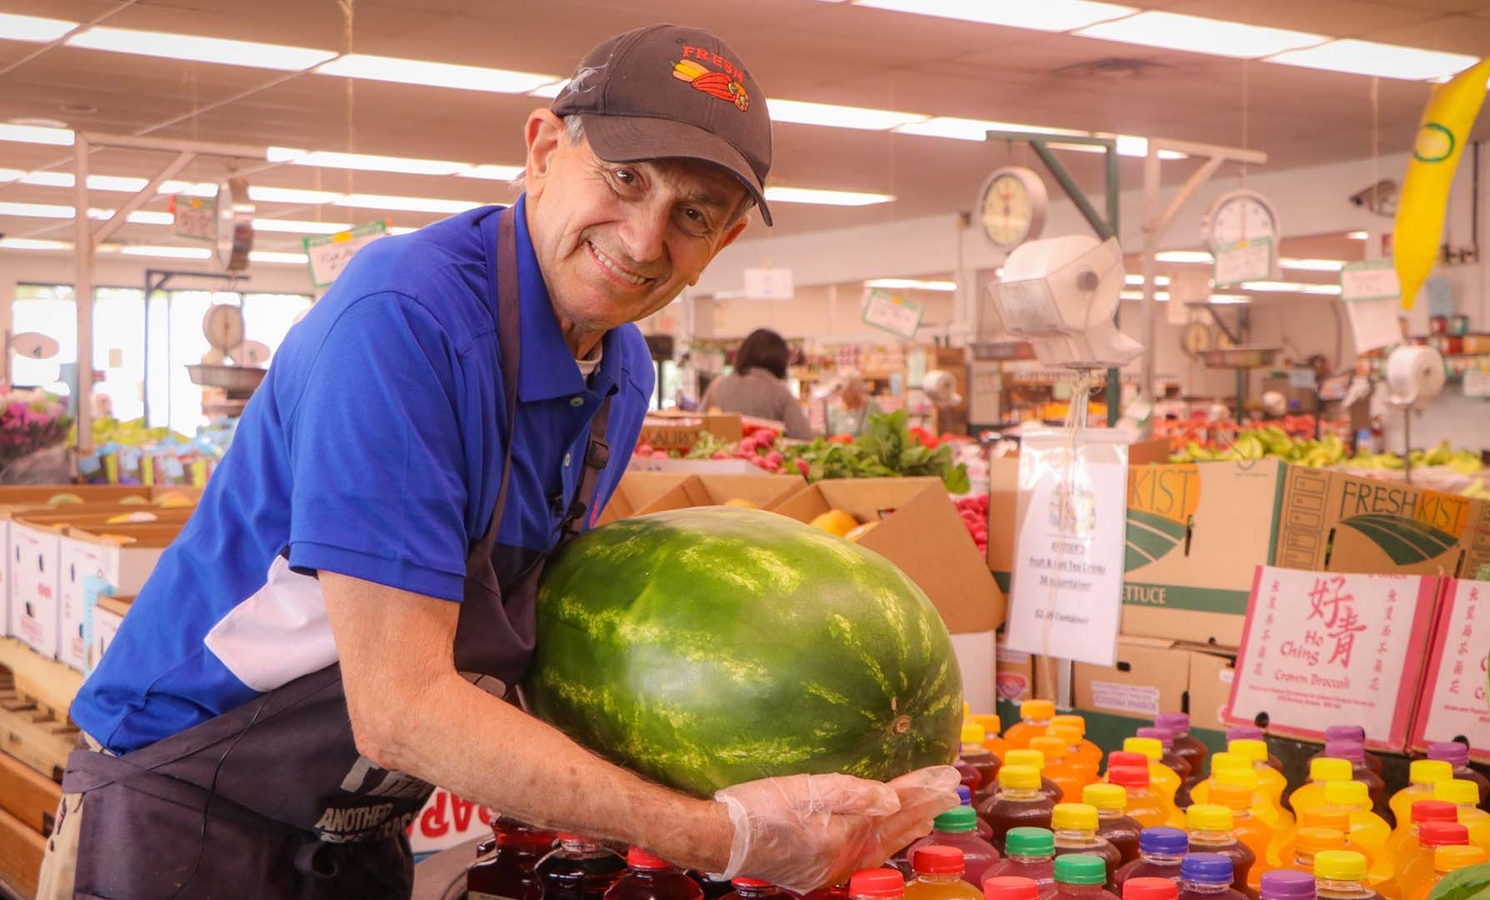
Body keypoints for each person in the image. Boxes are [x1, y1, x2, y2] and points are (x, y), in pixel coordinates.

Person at [40, 24, 954, 899]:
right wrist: (724, 836)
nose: (643, 240)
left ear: (723, 243)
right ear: (543, 148)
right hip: (189, 811)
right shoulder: (406, 318)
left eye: (692, 213)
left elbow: (538, 628)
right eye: (625, 178)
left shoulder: (622, 368)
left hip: (360, 822)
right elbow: (400, 707)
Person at [703, 328, 815, 439]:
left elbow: (696, 426)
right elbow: (803, 436)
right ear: (781, 360)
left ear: (743, 353)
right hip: (764, 455)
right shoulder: (781, 393)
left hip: (721, 454)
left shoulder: (719, 385)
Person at [825, 370, 883, 438]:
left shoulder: (873, 407)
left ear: (857, 386)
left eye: (848, 388)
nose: (843, 393)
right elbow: (829, 438)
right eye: (839, 388)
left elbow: (881, 434)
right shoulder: (833, 410)